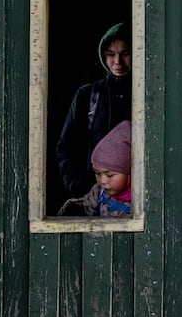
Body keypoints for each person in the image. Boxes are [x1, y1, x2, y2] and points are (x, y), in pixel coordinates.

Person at [55, 22, 132, 199]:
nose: (118, 61)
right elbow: (65, 146)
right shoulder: (88, 95)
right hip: (93, 196)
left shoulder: (148, 97)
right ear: (104, 56)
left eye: (125, 54)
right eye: (111, 54)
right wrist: (78, 185)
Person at [58, 120, 132, 217]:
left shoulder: (142, 199)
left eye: (109, 175)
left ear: (129, 173)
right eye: (97, 173)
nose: (102, 181)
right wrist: (75, 210)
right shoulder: (98, 192)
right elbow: (87, 205)